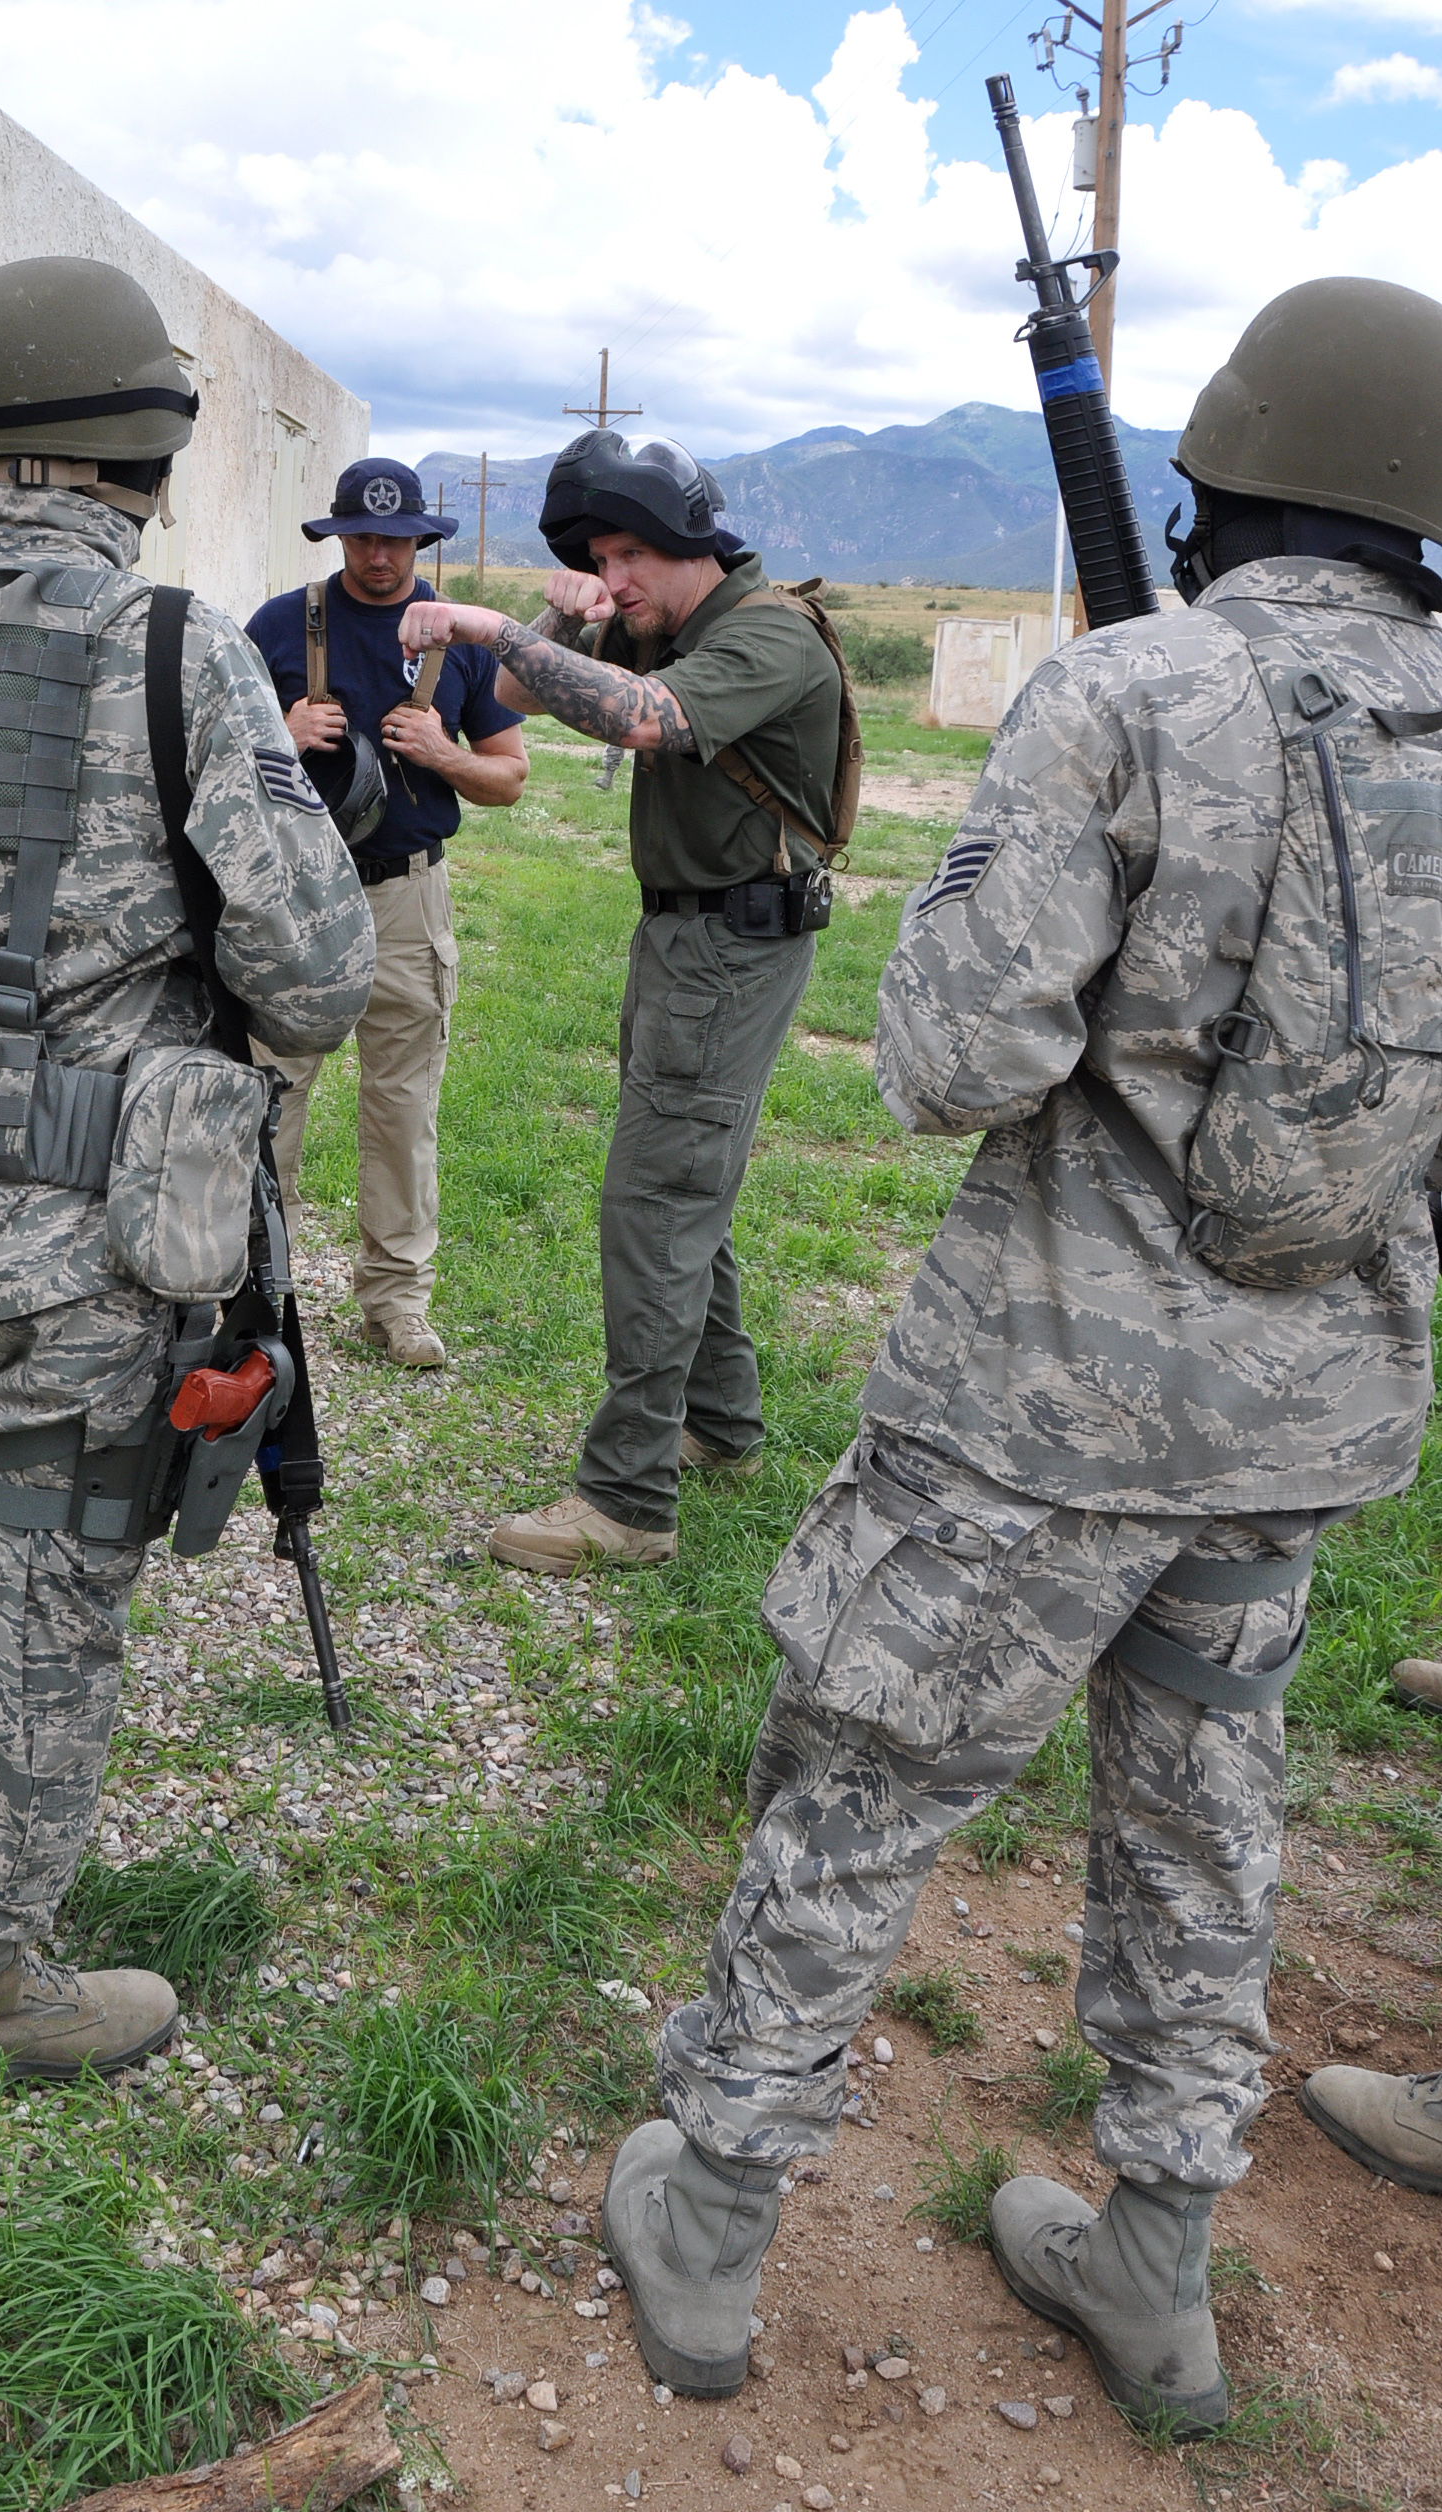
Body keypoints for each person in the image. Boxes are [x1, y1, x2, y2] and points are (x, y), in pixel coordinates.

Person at [571, 278, 1442, 2433]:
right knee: (1204, 1813)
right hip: (1305, 1407)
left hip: (1044, 1413)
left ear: (1217, 476)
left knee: (862, 1782)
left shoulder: (1129, 689)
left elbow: (951, 1059)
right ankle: (1158, 2262)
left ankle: (719, 2213)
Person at [0, 257, 373, 2081]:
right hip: (94, 1242)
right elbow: (319, 976)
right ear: (139, 443)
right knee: (51, 1589)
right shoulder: (173, 651)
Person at [400, 433, 846, 1565]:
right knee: (687, 1183)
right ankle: (721, 1422)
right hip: (690, 938)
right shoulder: (665, 623)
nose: (620, 575)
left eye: (636, 551)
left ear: (696, 543)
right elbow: (510, 693)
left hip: (731, 945)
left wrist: (488, 621)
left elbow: (643, 717)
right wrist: (548, 620)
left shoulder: (764, 635)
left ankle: (627, 1501)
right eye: (603, 552)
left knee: (656, 1204)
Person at [245, 458, 525, 1368]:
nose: (378, 555)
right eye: (362, 538)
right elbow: (207, 767)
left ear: (420, 539)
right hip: (293, 895)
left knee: (403, 1110)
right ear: (337, 538)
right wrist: (275, 739)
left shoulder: (462, 639)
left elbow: (508, 778)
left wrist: (444, 756)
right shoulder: (280, 627)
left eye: (395, 538)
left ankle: (396, 1304)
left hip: (407, 894)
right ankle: (260, 1292)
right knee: (269, 1098)